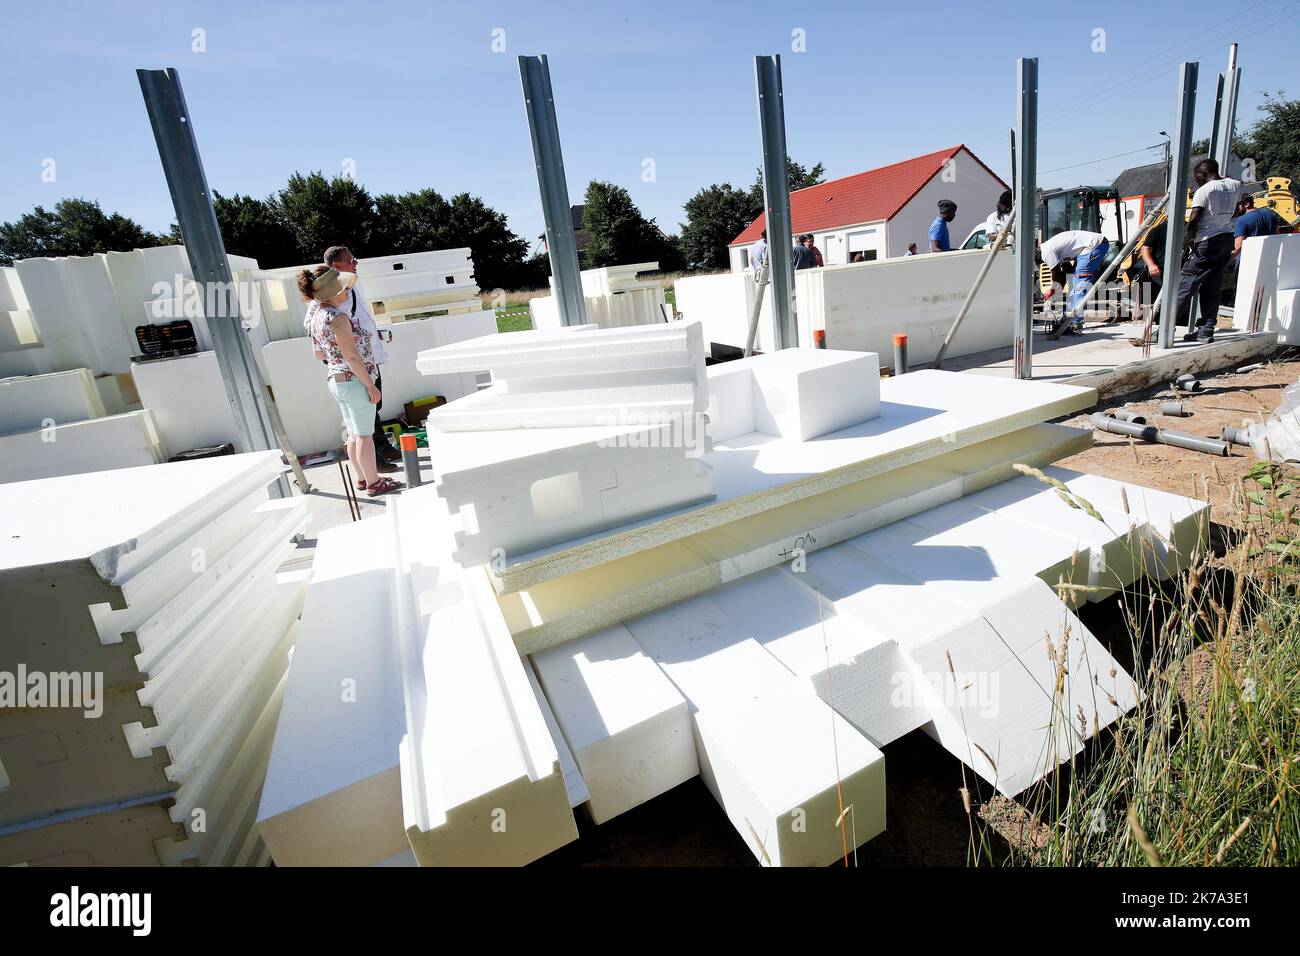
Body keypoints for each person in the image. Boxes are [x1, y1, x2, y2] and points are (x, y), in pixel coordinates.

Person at [300, 266, 404, 497]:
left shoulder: (317, 317)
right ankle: (374, 483)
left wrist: (337, 360)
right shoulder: (337, 318)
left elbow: (319, 354)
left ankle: (363, 478)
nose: (347, 291)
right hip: (354, 381)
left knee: (354, 433)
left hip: (337, 380)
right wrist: (369, 384)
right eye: (343, 288)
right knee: (365, 435)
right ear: (333, 292)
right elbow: (352, 356)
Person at [321, 246, 401, 468]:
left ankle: (382, 450)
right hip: (355, 364)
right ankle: (374, 463)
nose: (356, 263)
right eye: (351, 260)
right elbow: (315, 325)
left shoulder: (350, 285)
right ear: (337, 266)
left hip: (368, 358)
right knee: (364, 417)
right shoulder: (329, 293)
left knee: (374, 408)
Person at [1174, 158, 1240, 343]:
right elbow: (1235, 211)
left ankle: (1165, 328)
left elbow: (1194, 219)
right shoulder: (1235, 184)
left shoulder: (1204, 190)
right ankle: (1205, 330)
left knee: (1186, 284)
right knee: (1212, 286)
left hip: (1207, 242)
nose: (1197, 180)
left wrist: (1186, 241)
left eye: (1197, 176)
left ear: (1203, 172)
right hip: (1227, 238)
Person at [1040, 229, 1109, 334]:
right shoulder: (1053, 248)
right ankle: (1070, 318)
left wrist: (1052, 290)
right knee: (1074, 280)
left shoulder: (1045, 252)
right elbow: (1065, 274)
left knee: (1080, 280)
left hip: (1094, 245)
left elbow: (1057, 273)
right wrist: (1057, 291)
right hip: (1093, 244)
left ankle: (1074, 322)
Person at [1232, 195, 1281, 264]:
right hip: (1271, 258)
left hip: (1249, 261)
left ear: (1246, 204)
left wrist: (1230, 259)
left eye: (1236, 205)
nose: (1234, 209)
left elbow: (1239, 245)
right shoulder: (1271, 216)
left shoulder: (1241, 220)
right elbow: (1277, 235)